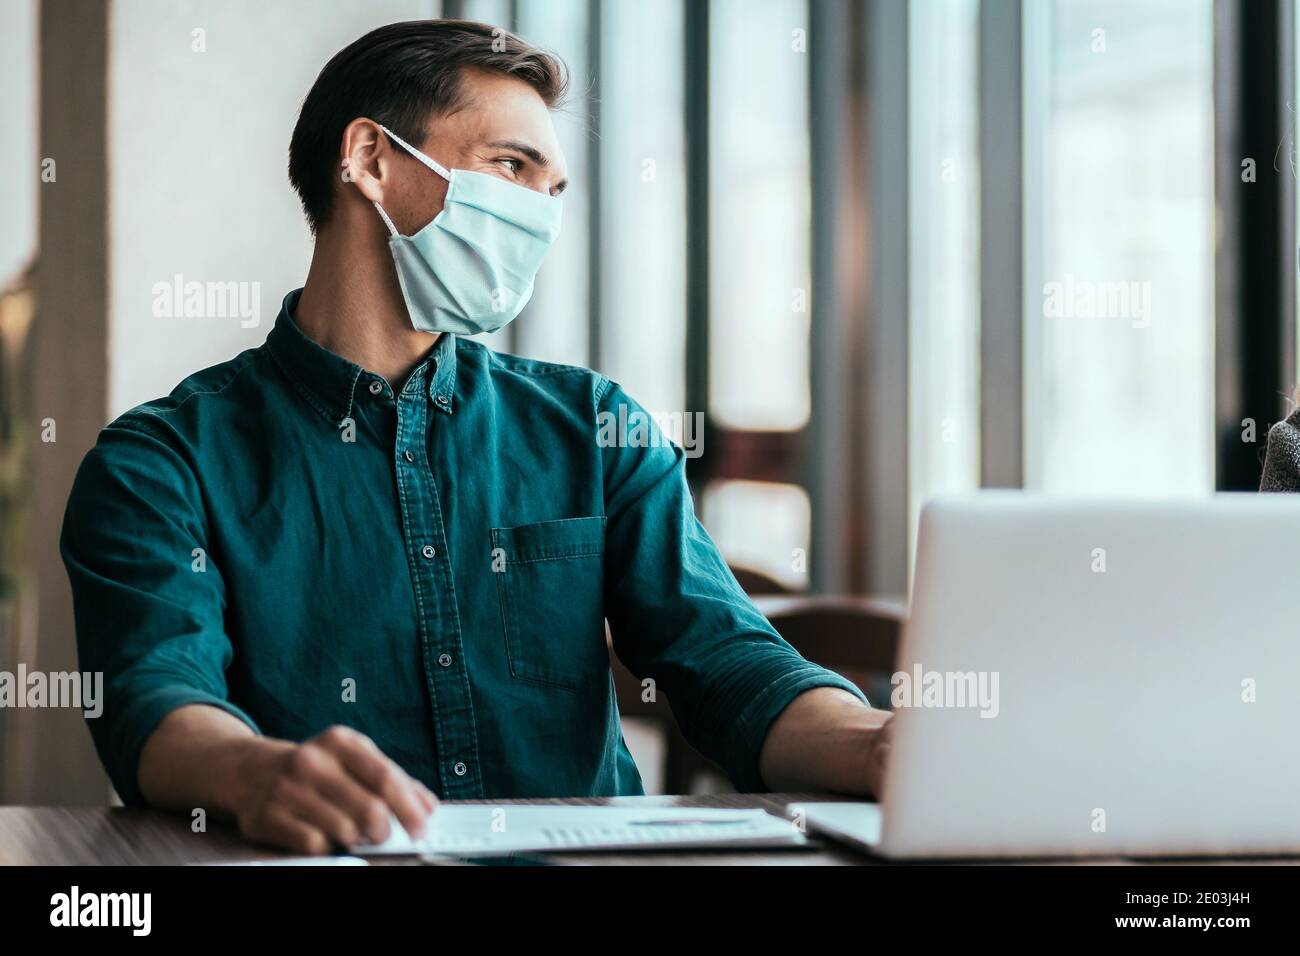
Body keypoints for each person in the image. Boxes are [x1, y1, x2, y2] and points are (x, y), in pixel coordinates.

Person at [61, 19, 891, 855]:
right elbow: (154, 700)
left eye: (553, 188)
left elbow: (730, 666)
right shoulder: (161, 464)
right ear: (371, 161)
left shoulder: (594, 430)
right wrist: (251, 772)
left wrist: (880, 747)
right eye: (511, 166)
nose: (538, 212)